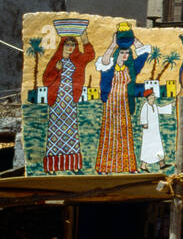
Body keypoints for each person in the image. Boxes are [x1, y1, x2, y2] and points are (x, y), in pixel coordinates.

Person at [94, 27, 152, 173]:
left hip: (123, 105)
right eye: (122, 52)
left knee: (124, 134)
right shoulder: (109, 67)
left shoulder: (130, 69)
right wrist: (114, 44)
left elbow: (145, 53)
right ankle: (105, 167)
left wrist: (134, 41)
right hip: (111, 103)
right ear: (117, 53)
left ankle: (128, 166)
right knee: (110, 134)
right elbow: (106, 59)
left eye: (127, 52)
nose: (125, 55)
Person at [41, 33, 95, 173]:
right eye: (68, 45)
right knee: (55, 132)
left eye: (73, 45)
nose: (70, 48)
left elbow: (90, 55)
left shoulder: (76, 61)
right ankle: (53, 166)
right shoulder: (55, 61)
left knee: (71, 133)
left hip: (70, 101)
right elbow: (46, 81)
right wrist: (56, 70)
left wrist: (85, 39)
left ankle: (73, 165)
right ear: (62, 45)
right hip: (57, 101)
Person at [137, 88, 174, 169]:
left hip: (155, 131)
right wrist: (144, 123)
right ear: (149, 97)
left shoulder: (154, 106)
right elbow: (143, 116)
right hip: (148, 132)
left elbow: (160, 110)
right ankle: (143, 166)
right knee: (148, 148)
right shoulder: (145, 106)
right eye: (153, 96)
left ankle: (162, 164)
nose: (154, 97)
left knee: (158, 147)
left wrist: (171, 105)